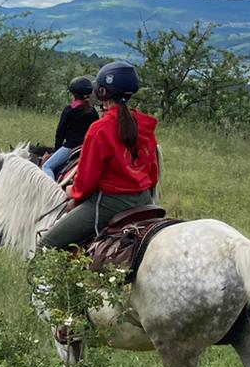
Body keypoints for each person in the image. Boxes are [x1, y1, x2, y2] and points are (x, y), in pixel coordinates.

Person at [37, 61, 159, 252]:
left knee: (45, 246)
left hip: (108, 204)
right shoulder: (145, 124)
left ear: (102, 91)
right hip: (144, 201)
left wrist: (72, 191)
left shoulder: (100, 129)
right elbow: (153, 172)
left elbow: (86, 183)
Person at [43, 75, 98, 179]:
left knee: (47, 166)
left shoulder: (69, 111)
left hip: (70, 147)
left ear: (74, 94)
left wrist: (57, 149)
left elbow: (60, 133)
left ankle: (51, 188)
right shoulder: (93, 112)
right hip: (87, 148)